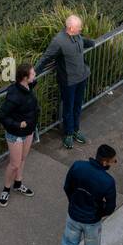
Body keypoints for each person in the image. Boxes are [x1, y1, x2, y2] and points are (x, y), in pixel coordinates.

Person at [51, 144, 117, 245]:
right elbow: (110, 208)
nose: (114, 164)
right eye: (113, 161)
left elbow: (67, 187)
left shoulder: (77, 166)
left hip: (73, 216)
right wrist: (98, 213)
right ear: (105, 162)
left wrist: (73, 203)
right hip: (92, 223)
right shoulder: (108, 181)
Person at [35, 14, 95, 149]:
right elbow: (46, 58)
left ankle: (75, 130)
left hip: (81, 76)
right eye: (79, 27)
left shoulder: (77, 35)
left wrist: (89, 42)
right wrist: (34, 73)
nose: (81, 29)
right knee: (68, 107)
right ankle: (68, 133)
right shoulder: (58, 41)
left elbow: (80, 40)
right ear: (71, 28)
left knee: (78, 105)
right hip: (69, 81)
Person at [0, 63, 39, 207]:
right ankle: (6, 189)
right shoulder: (14, 95)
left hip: (29, 131)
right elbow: (1, 115)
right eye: (33, 74)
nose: (35, 75)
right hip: (16, 134)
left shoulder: (29, 86)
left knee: (22, 159)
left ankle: (18, 183)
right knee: (14, 164)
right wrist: (17, 125)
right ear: (25, 78)